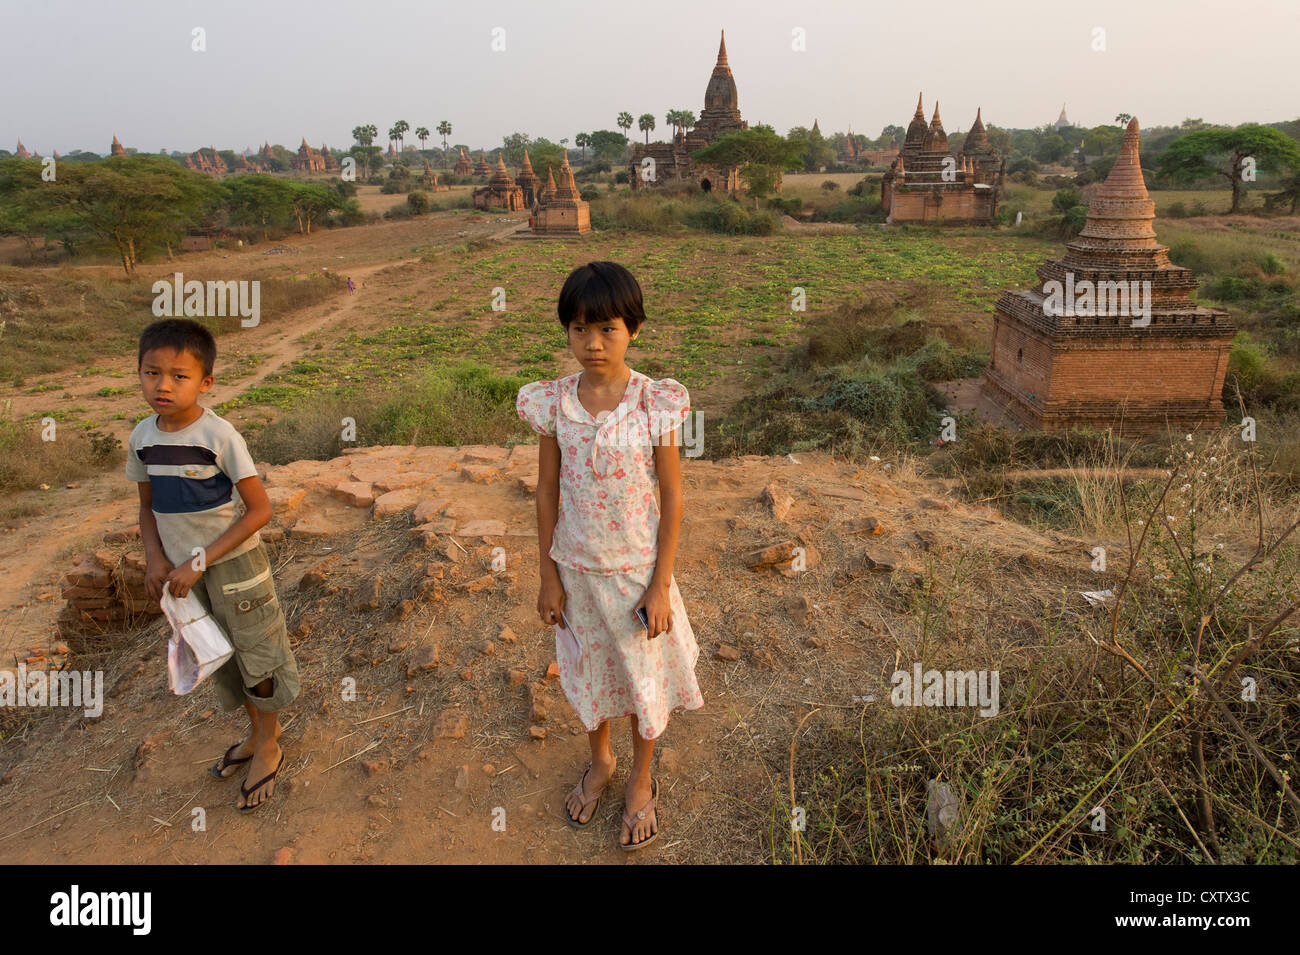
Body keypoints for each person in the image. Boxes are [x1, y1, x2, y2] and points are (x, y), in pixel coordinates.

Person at [516, 261, 703, 850]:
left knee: (642, 682)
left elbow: (671, 496)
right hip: (576, 573)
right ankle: (600, 762)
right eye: (578, 330)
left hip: (637, 576)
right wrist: (547, 575)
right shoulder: (552, 404)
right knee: (589, 677)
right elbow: (547, 491)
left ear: (634, 330)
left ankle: (641, 776)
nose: (592, 344)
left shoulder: (655, 402)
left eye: (608, 330)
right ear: (566, 332)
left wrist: (660, 585)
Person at [126, 318, 299, 811]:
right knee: (219, 655)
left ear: (206, 382)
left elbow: (259, 511)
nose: (162, 385)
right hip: (182, 575)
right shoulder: (142, 437)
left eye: (179, 375)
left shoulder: (218, 435)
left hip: (234, 568)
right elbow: (147, 505)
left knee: (258, 656)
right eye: (151, 372)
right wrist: (155, 558)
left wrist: (199, 560)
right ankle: (256, 731)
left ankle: (269, 743)